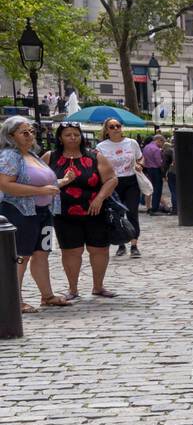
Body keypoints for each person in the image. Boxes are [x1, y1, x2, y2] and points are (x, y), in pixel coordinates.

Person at [0, 116, 73, 311]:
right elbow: (6, 186)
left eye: (32, 131)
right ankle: (13, 299)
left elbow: (45, 183)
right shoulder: (9, 156)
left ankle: (47, 295)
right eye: (24, 132)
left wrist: (63, 181)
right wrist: (41, 191)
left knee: (41, 253)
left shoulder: (32, 155)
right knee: (20, 256)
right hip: (20, 212)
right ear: (10, 135)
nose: (30, 136)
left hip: (43, 211)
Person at [44, 122, 118, 300]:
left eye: (76, 134)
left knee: (99, 249)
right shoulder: (50, 157)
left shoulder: (94, 156)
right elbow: (39, 179)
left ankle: (98, 286)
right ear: (60, 137)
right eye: (68, 134)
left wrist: (100, 198)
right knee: (71, 251)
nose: (72, 138)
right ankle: (73, 288)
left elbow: (111, 179)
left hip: (95, 211)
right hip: (64, 213)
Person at [96, 118, 143, 257]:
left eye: (118, 125)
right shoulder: (101, 147)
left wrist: (140, 165)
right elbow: (98, 165)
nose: (116, 128)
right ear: (107, 129)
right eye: (112, 126)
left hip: (131, 180)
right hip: (112, 182)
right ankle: (121, 243)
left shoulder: (131, 143)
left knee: (132, 212)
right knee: (116, 213)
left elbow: (140, 157)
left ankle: (134, 245)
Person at [142, 132, 167, 215]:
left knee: (152, 188)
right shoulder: (156, 149)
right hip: (156, 170)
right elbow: (159, 162)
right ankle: (155, 208)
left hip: (148, 169)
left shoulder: (146, 147)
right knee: (157, 190)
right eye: (162, 142)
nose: (162, 144)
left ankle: (151, 207)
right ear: (158, 140)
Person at [162, 136, 178, 214]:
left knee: (174, 191)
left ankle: (175, 209)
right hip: (184, 174)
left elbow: (165, 164)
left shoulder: (169, 151)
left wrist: (164, 174)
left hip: (173, 173)